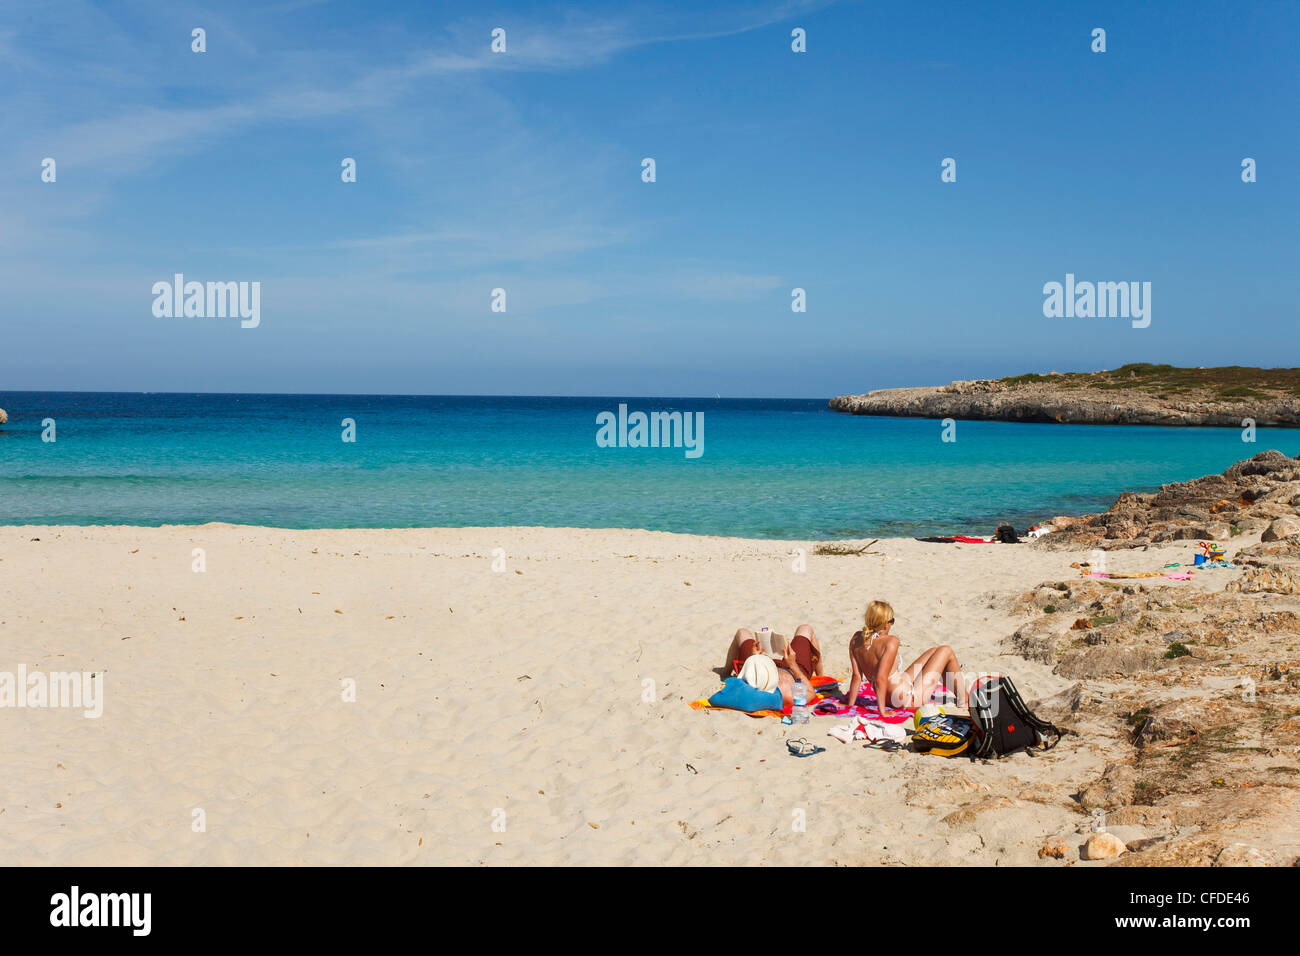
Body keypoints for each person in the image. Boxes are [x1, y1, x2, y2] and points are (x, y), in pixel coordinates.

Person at [846, 600, 966, 716]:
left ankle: (959, 693)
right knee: (946, 650)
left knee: (935, 652)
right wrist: (882, 712)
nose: (892, 624)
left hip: (892, 696)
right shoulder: (890, 642)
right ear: (884, 623)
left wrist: (850, 705)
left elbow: (857, 676)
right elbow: (880, 679)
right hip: (908, 699)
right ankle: (965, 699)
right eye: (891, 620)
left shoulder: (856, 639)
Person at [724, 625, 823, 707]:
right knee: (806, 629)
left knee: (742, 632)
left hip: (761, 665)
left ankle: (725, 672)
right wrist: (793, 665)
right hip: (794, 670)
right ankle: (821, 677)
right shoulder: (786, 696)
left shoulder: (757, 685)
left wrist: (755, 659)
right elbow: (811, 693)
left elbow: (749, 679)